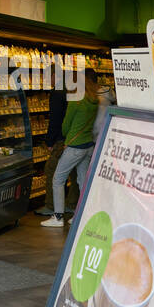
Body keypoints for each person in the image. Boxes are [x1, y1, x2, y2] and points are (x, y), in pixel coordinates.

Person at [43, 68, 100, 228]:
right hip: (88, 145)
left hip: (74, 146)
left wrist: (66, 134)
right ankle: (81, 215)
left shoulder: (75, 101)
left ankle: (58, 217)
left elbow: (65, 126)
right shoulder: (93, 101)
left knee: (58, 179)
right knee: (82, 181)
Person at [35, 84, 69, 217]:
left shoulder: (57, 92)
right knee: (73, 174)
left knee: (52, 170)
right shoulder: (71, 90)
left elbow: (55, 119)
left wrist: (49, 141)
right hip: (72, 139)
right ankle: (71, 204)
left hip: (61, 139)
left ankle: (52, 206)